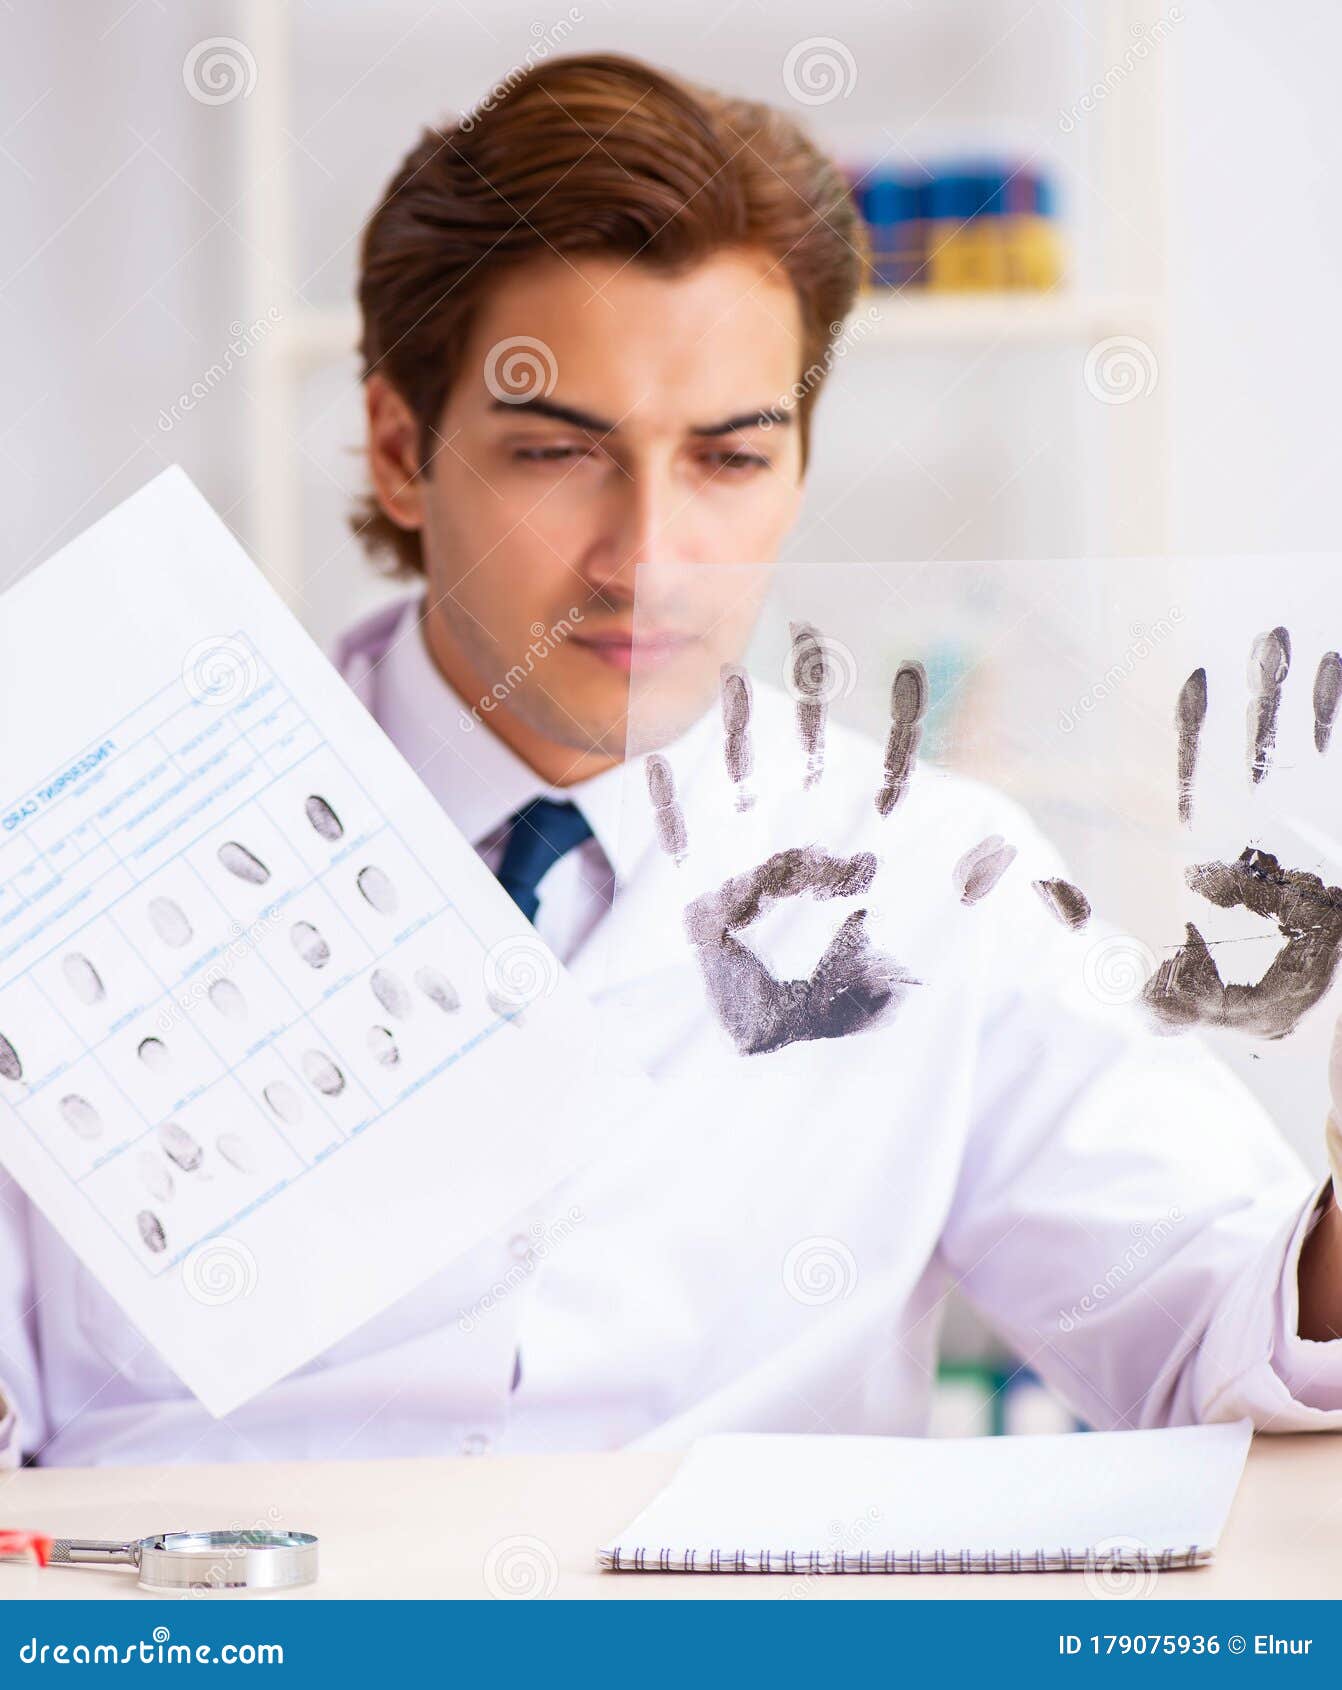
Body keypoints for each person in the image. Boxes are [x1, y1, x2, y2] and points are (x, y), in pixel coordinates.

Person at [2, 53, 1341, 1467]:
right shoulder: (70, 840)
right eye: (555, 452)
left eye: (727, 460)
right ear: (401, 448)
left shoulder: (940, 880)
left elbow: (1227, 1332)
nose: (647, 558)